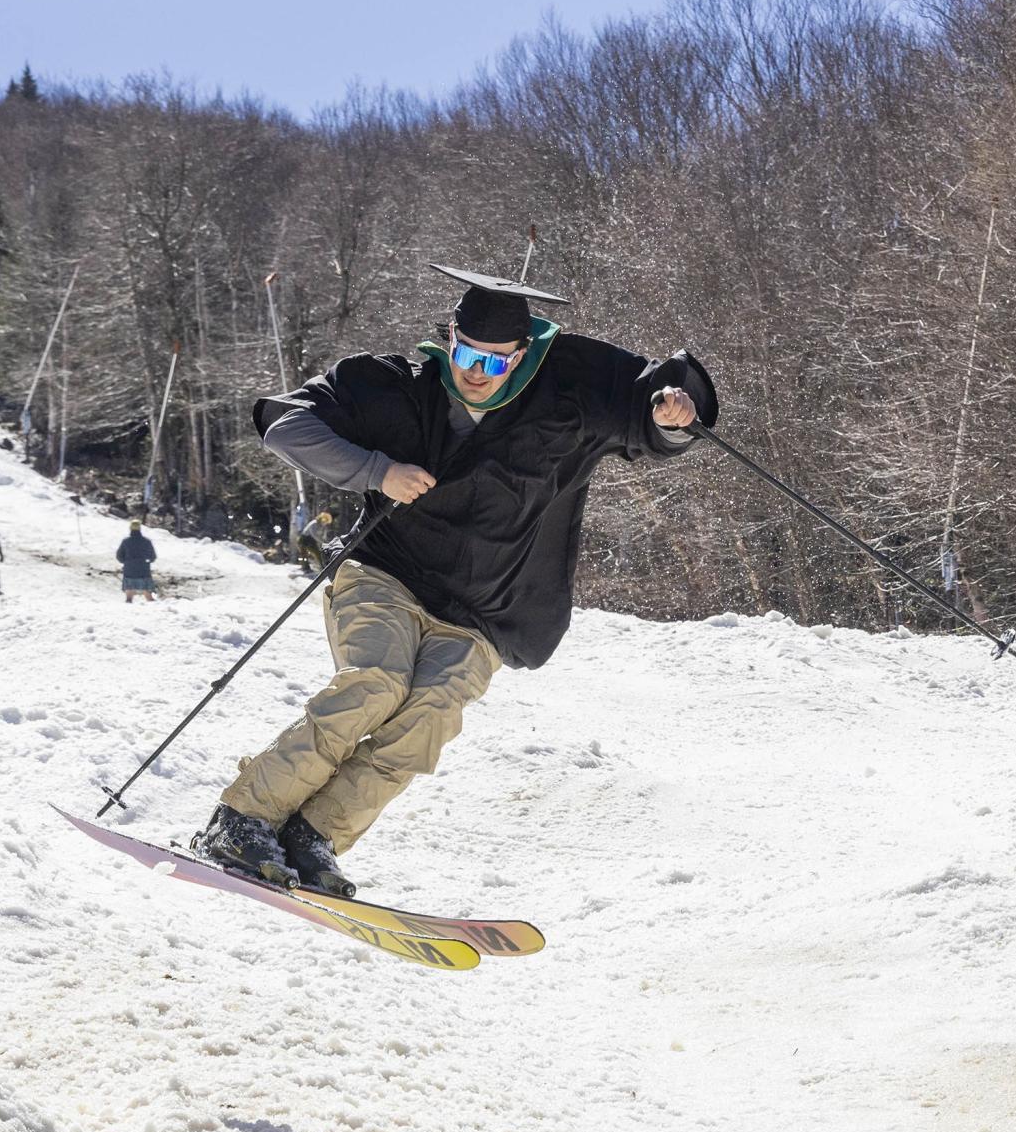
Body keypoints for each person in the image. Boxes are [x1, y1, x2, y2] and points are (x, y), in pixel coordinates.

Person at [190, 263, 713, 896]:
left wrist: (672, 415)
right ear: (448, 337)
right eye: (466, 353)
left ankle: (313, 836)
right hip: (384, 575)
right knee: (376, 684)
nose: (476, 371)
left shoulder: (570, 396)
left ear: (523, 356)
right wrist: (376, 470)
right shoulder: (390, 385)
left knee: (429, 716)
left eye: (497, 362)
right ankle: (242, 819)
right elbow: (286, 423)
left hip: (482, 615)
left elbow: (656, 411)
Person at [117, 519, 157, 603]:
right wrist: (147, 562)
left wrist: (126, 562)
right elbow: (153, 557)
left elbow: (119, 556)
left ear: (130, 528)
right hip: (144, 571)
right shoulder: (147, 541)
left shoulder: (126, 542)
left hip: (129, 571)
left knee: (129, 597)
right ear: (140, 528)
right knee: (149, 596)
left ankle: (128, 612)